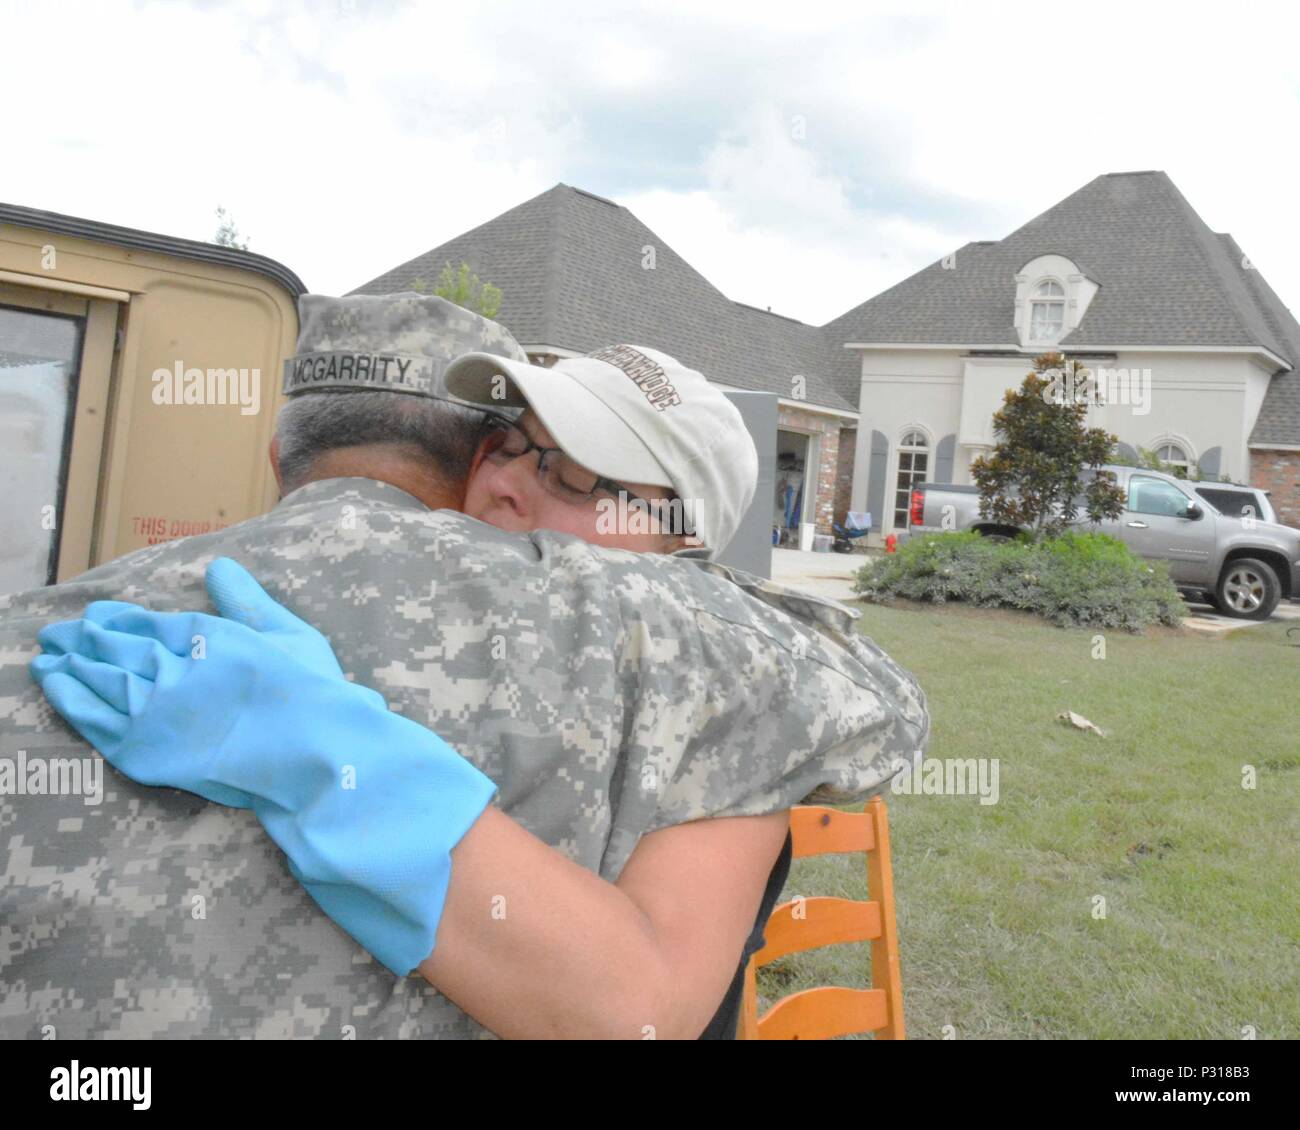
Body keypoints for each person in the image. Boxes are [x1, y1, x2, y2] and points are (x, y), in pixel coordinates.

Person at [2, 292, 929, 1039]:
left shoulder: (721, 677)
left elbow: (637, 1013)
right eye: (513, 441)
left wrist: (327, 764)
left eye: (575, 475)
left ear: (683, 556)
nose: (508, 479)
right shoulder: (445, 621)